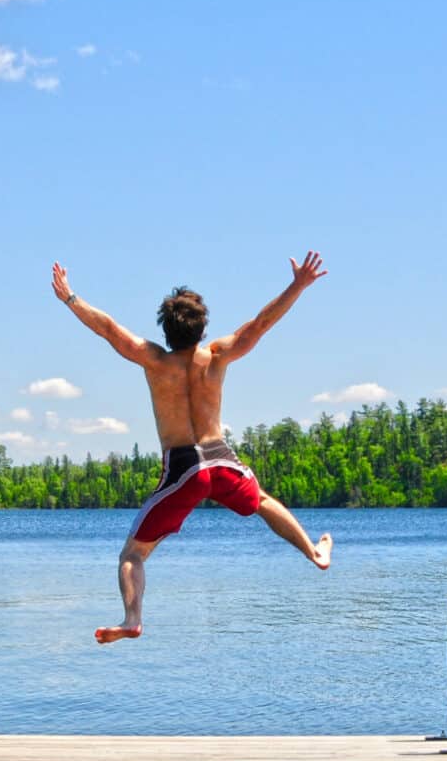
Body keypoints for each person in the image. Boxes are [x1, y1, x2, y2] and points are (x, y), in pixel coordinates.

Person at [51, 253, 334, 644]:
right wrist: (298, 285)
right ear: (202, 329)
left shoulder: (154, 360)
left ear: (166, 331)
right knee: (264, 502)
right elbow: (260, 325)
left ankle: (132, 618)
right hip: (221, 459)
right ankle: (313, 552)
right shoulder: (217, 356)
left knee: (133, 554)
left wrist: (70, 299)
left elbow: (109, 329)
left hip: (183, 466)